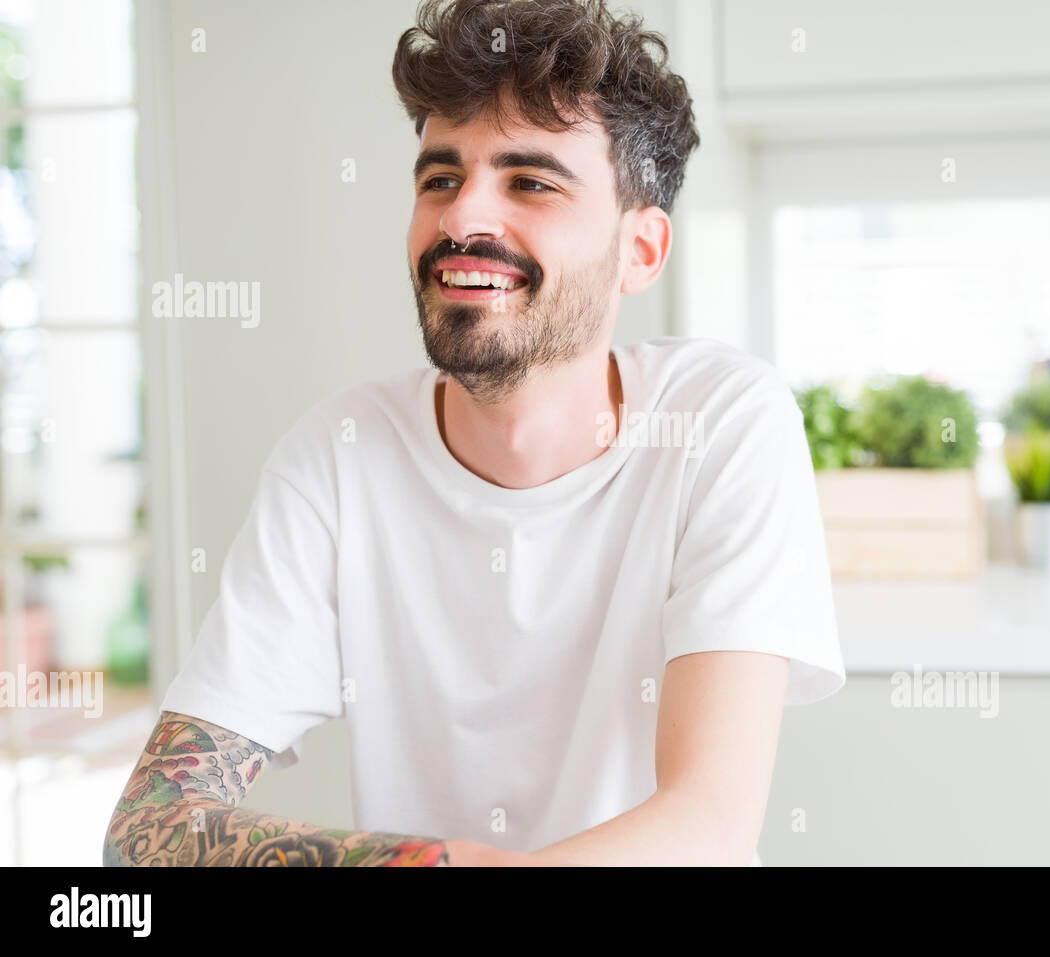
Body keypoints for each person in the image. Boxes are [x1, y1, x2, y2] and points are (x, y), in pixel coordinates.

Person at [103, 0, 844, 867]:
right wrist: (435, 862)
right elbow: (147, 826)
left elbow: (706, 825)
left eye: (530, 181)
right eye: (440, 177)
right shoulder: (337, 457)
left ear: (640, 251)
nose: (462, 220)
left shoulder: (723, 422)